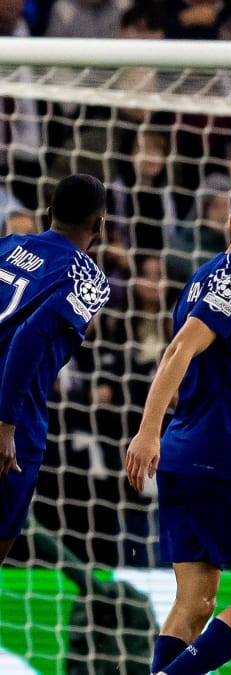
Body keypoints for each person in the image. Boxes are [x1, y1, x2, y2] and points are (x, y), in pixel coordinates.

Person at [124, 180, 231, 675]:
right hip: (222, 454)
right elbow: (180, 349)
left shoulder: (203, 276)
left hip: (184, 454)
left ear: (230, 221)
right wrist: (147, 429)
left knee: (195, 602)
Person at [0, 174, 110, 564]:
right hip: (15, 418)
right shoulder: (88, 278)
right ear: (99, 224)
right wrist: (6, 424)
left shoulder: (8, 245)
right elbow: (30, 336)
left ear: (50, 213)